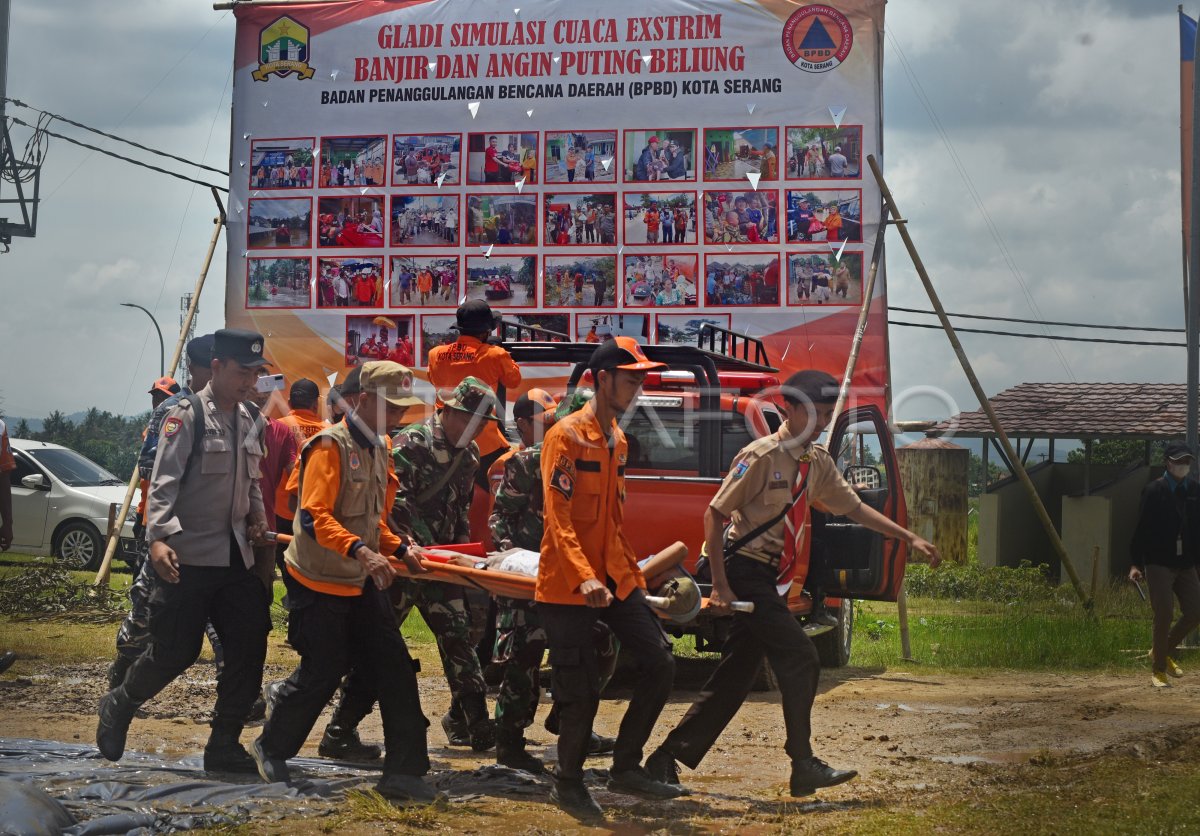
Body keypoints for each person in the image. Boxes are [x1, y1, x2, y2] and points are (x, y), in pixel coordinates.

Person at [644, 370, 940, 798]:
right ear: (792, 409)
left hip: (769, 577)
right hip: (744, 570)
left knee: (735, 676)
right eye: (817, 414)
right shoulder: (761, 455)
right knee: (802, 657)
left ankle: (663, 759)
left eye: (825, 414)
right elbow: (715, 514)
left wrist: (906, 536)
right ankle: (803, 763)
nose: (822, 423)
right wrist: (723, 588)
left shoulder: (815, 462)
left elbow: (853, 507)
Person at [253, 361, 437, 802]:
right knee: (324, 669)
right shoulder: (328, 446)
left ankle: (405, 772)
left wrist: (397, 548)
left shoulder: (380, 446)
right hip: (317, 579)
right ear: (361, 400)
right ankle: (271, 747)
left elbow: (372, 521)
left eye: (401, 408)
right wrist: (365, 552)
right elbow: (315, 518)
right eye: (389, 407)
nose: (396, 415)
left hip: (359, 576)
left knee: (395, 667)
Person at [97, 330, 273, 773]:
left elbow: (251, 482)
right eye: (241, 372)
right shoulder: (186, 415)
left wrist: (257, 519)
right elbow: (162, 484)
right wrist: (157, 539)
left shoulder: (253, 418)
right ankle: (120, 702)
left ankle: (224, 743)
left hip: (236, 558)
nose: (250, 381)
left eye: (256, 372)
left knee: (249, 647)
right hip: (188, 557)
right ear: (216, 367)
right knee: (177, 650)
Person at [537, 338, 682, 823]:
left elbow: (613, 525)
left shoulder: (617, 438)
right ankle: (569, 783)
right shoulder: (565, 436)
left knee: (660, 661)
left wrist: (634, 581)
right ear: (602, 379)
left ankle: (625, 765)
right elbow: (558, 521)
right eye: (631, 378)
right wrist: (583, 579)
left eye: (642, 379)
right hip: (566, 585)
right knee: (580, 690)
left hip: (614, 579)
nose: (638, 387)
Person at [489, 390, 617, 773]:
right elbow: (500, 516)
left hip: (576, 575)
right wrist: (512, 555)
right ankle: (509, 744)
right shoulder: (527, 462)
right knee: (523, 658)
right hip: (532, 572)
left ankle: (571, 721)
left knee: (601, 644)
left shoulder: (603, 458)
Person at [110, 336, 219, 691]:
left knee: (223, 618)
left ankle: (236, 692)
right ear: (200, 368)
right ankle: (123, 673)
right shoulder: (173, 410)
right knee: (145, 613)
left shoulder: (234, 412)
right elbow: (147, 466)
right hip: (171, 533)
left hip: (215, 537)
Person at [427, 300, 522, 488]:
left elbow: (433, 379)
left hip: (442, 440)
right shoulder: (495, 355)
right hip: (483, 442)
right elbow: (514, 380)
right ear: (486, 331)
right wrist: (500, 351)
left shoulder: (435, 354)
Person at [1129, 442, 1200, 687]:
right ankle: (1158, 670)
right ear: (1168, 463)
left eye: (1187, 461)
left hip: (1186, 562)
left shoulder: (1194, 490)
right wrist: (1135, 564)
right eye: (1179, 461)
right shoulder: (1153, 491)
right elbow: (1140, 530)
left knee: (1195, 611)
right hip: (1158, 561)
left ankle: (1160, 650)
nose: (1184, 466)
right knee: (1164, 613)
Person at [274, 379, 329, 573]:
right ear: (315, 404)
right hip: (315, 515)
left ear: (289, 403)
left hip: (280, 512)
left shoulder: (276, 427)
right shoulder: (330, 432)